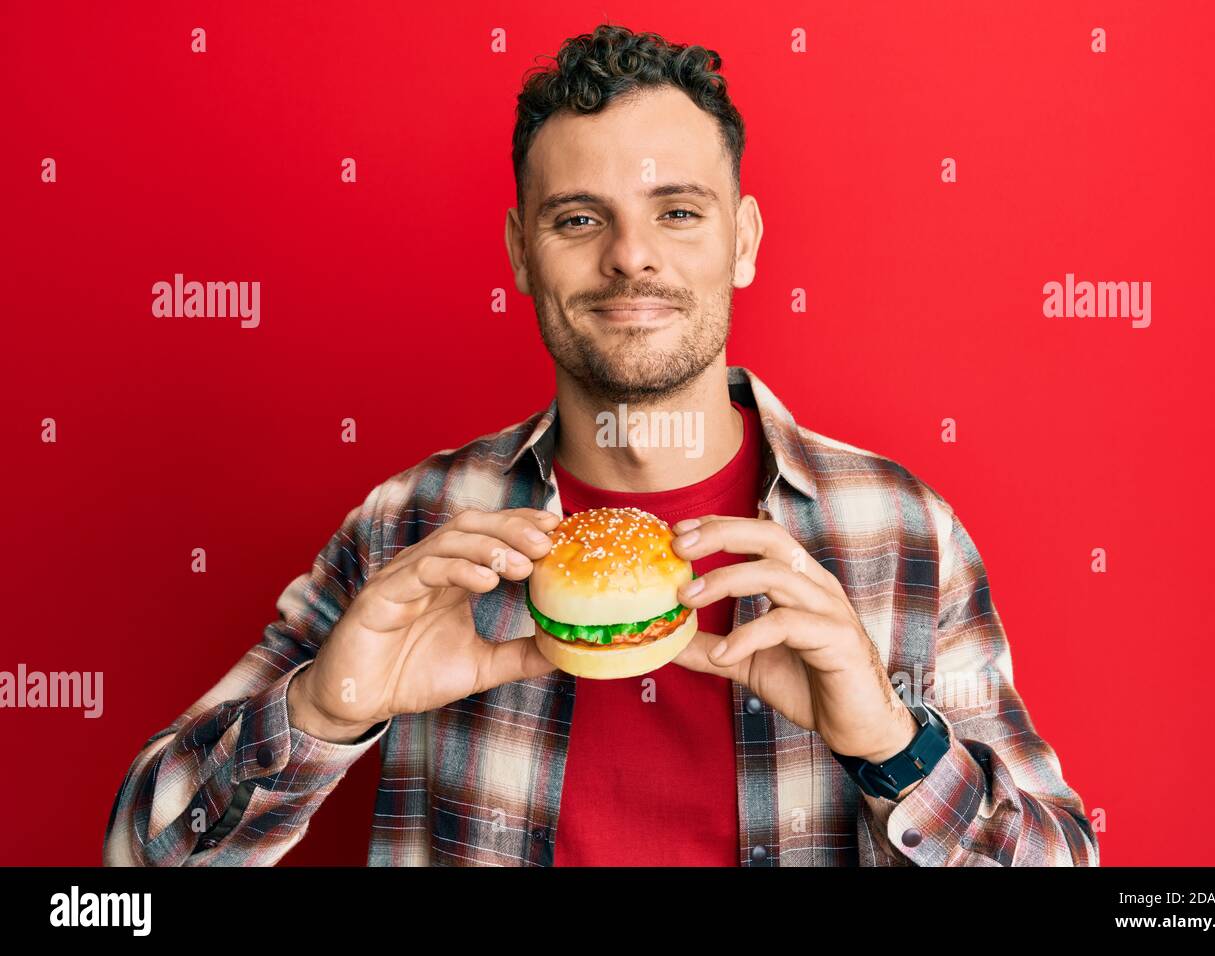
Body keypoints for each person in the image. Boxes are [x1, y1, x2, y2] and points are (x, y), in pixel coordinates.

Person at [103, 23, 1098, 867]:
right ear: (520, 253)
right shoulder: (410, 523)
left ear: (743, 241)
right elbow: (129, 866)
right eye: (580, 218)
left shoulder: (902, 533)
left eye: (677, 211)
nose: (631, 255)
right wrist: (322, 710)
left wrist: (889, 743)